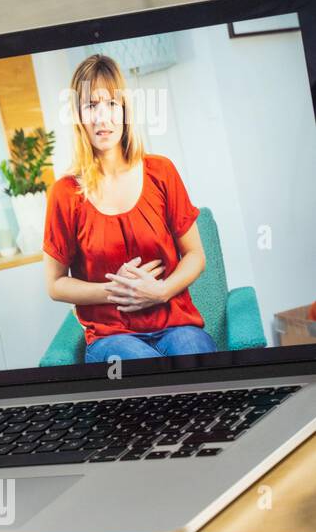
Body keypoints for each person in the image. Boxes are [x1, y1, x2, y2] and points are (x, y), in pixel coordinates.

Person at [42, 54, 217, 364]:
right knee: (144, 373)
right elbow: (55, 284)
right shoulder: (65, 193)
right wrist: (114, 291)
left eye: (111, 104)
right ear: (78, 115)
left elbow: (196, 256)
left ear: (124, 110)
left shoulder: (161, 171)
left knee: (195, 360)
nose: (102, 117)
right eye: (91, 105)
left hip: (177, 325)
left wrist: (160, 291)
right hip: (112, 337)